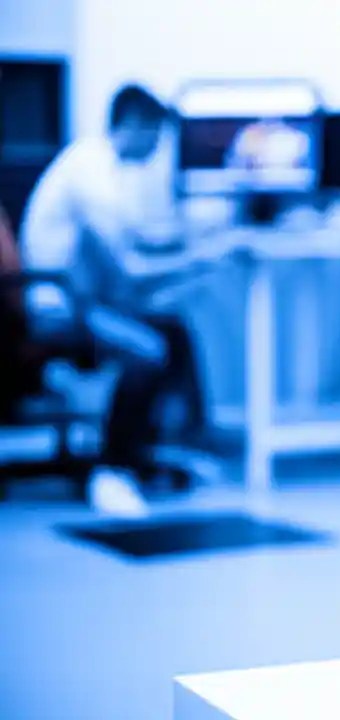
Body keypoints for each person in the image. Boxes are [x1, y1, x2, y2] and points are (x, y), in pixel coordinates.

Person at [20, 84, 208, 516]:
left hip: (83, 300)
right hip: (57, 307)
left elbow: (140, 238)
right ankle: (113, 471)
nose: (160, 148)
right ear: (134, 125)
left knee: (174, 329)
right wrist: (201, 259)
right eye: (157, 136)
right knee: (147, 350)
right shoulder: (94, 178)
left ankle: (155, 449)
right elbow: (131, 271)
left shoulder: (102, 166)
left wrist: (197, 242)